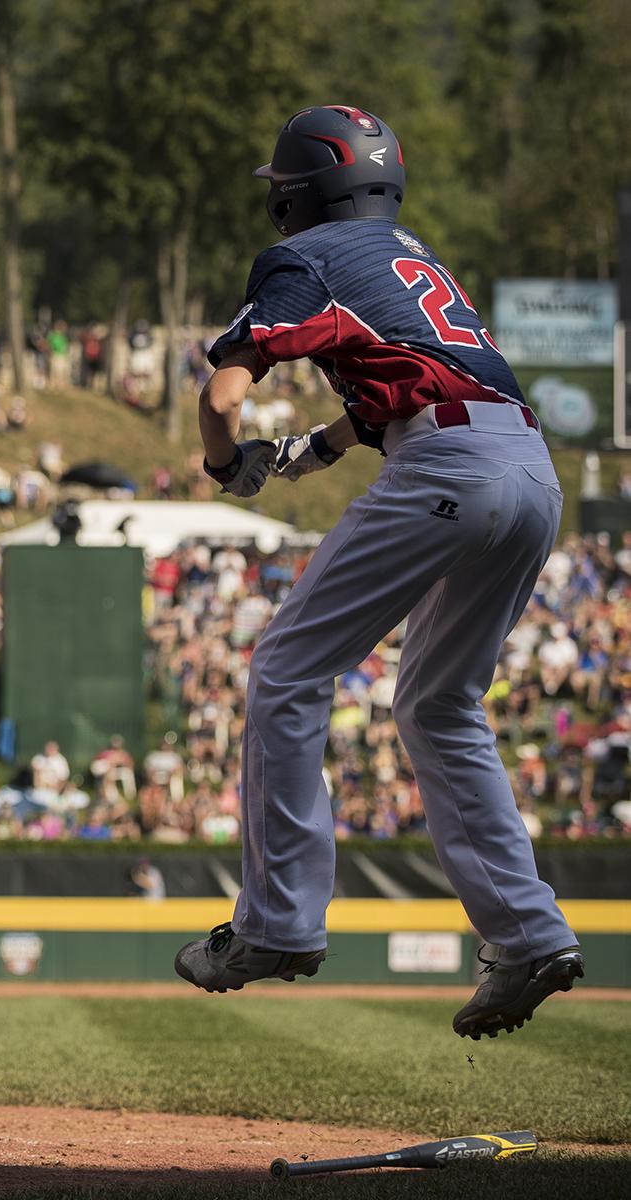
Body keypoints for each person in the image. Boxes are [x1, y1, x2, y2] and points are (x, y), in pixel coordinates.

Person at [176, 105, 583, 1039]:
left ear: (300, 193)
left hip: (446, 469)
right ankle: (527, 933)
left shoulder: (302, 257)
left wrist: (225, 463)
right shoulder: (416, 255)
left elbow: (223, 392)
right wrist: (313, 454)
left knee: (286, 668)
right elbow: (410, 379)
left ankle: (276, 924)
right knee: (439, 704)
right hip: (528, 470)